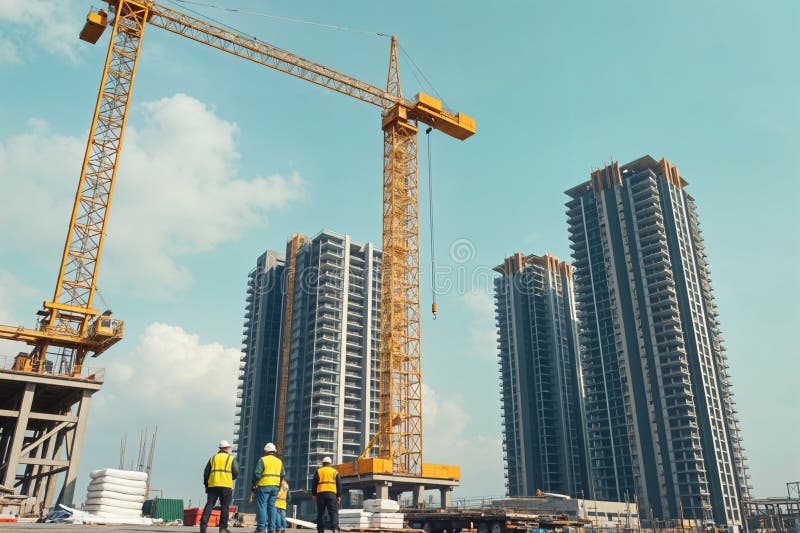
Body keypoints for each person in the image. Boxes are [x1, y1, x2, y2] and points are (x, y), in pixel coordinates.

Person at [201, 439, 239, 533]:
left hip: (213, 485)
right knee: (225, 506)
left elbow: (206, 473)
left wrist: (207, 485)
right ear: (227, 448)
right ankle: (223, 528)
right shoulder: (231, 458)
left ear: (220, 448)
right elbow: (236, 471)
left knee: (210, 504)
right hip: (226, 485)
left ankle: (203, 524)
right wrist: (232, 477)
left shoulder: (213, 458)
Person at [252, 442, 285, 533]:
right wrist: (278, 484)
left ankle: (261, 528)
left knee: (262, 506)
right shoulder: (279, 461)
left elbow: (257, 474)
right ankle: (272, 529)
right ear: (274, 451)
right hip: (275, 487)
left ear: (266, 451)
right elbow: (282, 474)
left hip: (264, 485)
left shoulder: (262, 460)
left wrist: (255, 484)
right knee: (272, 507)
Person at [311, 457, 341, 533]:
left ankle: (320, 530)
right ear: (330, 464)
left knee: (320, 513)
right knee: (333, 512)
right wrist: (338, 496)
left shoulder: (318, 471)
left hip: (321, 494)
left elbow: (314, 484)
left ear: (323, 463)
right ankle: (335, 529)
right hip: (332, 495)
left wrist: (314, 495)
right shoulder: (335, 472)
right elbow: (339, 485)